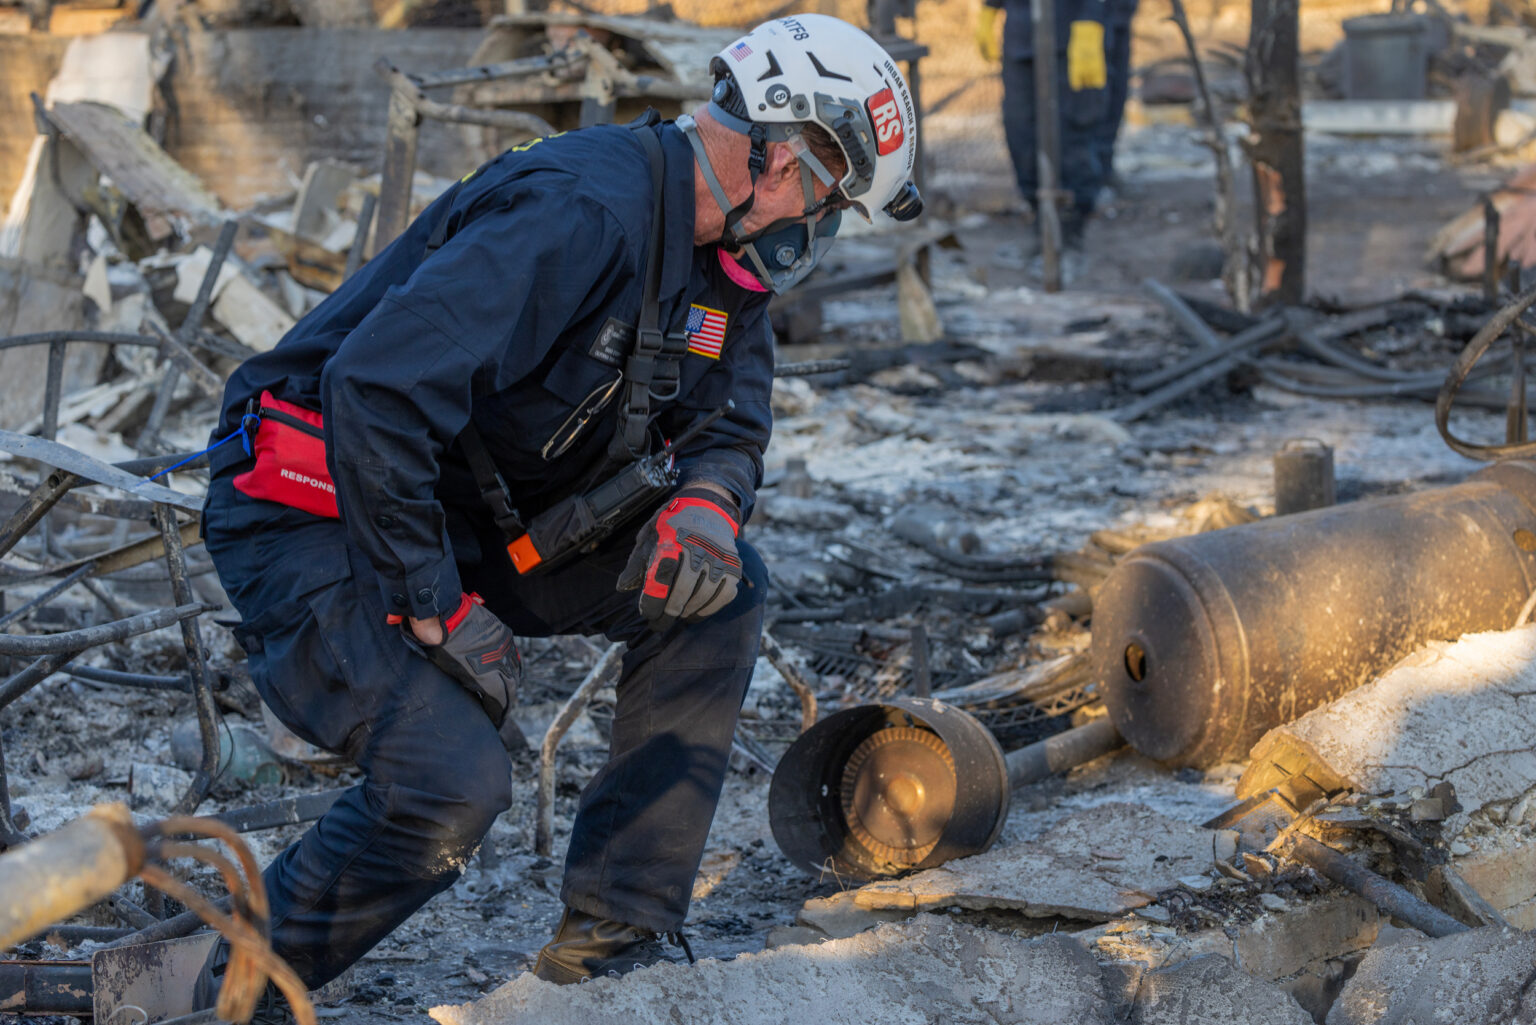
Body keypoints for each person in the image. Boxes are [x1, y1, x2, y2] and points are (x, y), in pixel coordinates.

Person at [193, 12, 922, 1018]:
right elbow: (377, 391)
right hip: (316, 506)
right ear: (783, 158)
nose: (821, 232)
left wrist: (708, 503)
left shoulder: (725, 254)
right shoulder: (584, 212)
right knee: (452, 782)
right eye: (831, 206)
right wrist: (437, 606)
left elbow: (734, 403)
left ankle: (615, 936)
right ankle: (219, 996)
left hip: (467, 511)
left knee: (719, 588)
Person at [976, 0, 1112, 246]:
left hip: (1071, 33)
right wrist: (990, 8)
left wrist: (1091, 19)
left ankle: (1073, 228)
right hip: (1020, 35)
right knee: (1020, 130)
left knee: (1072, 131)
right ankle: (1040, 221)